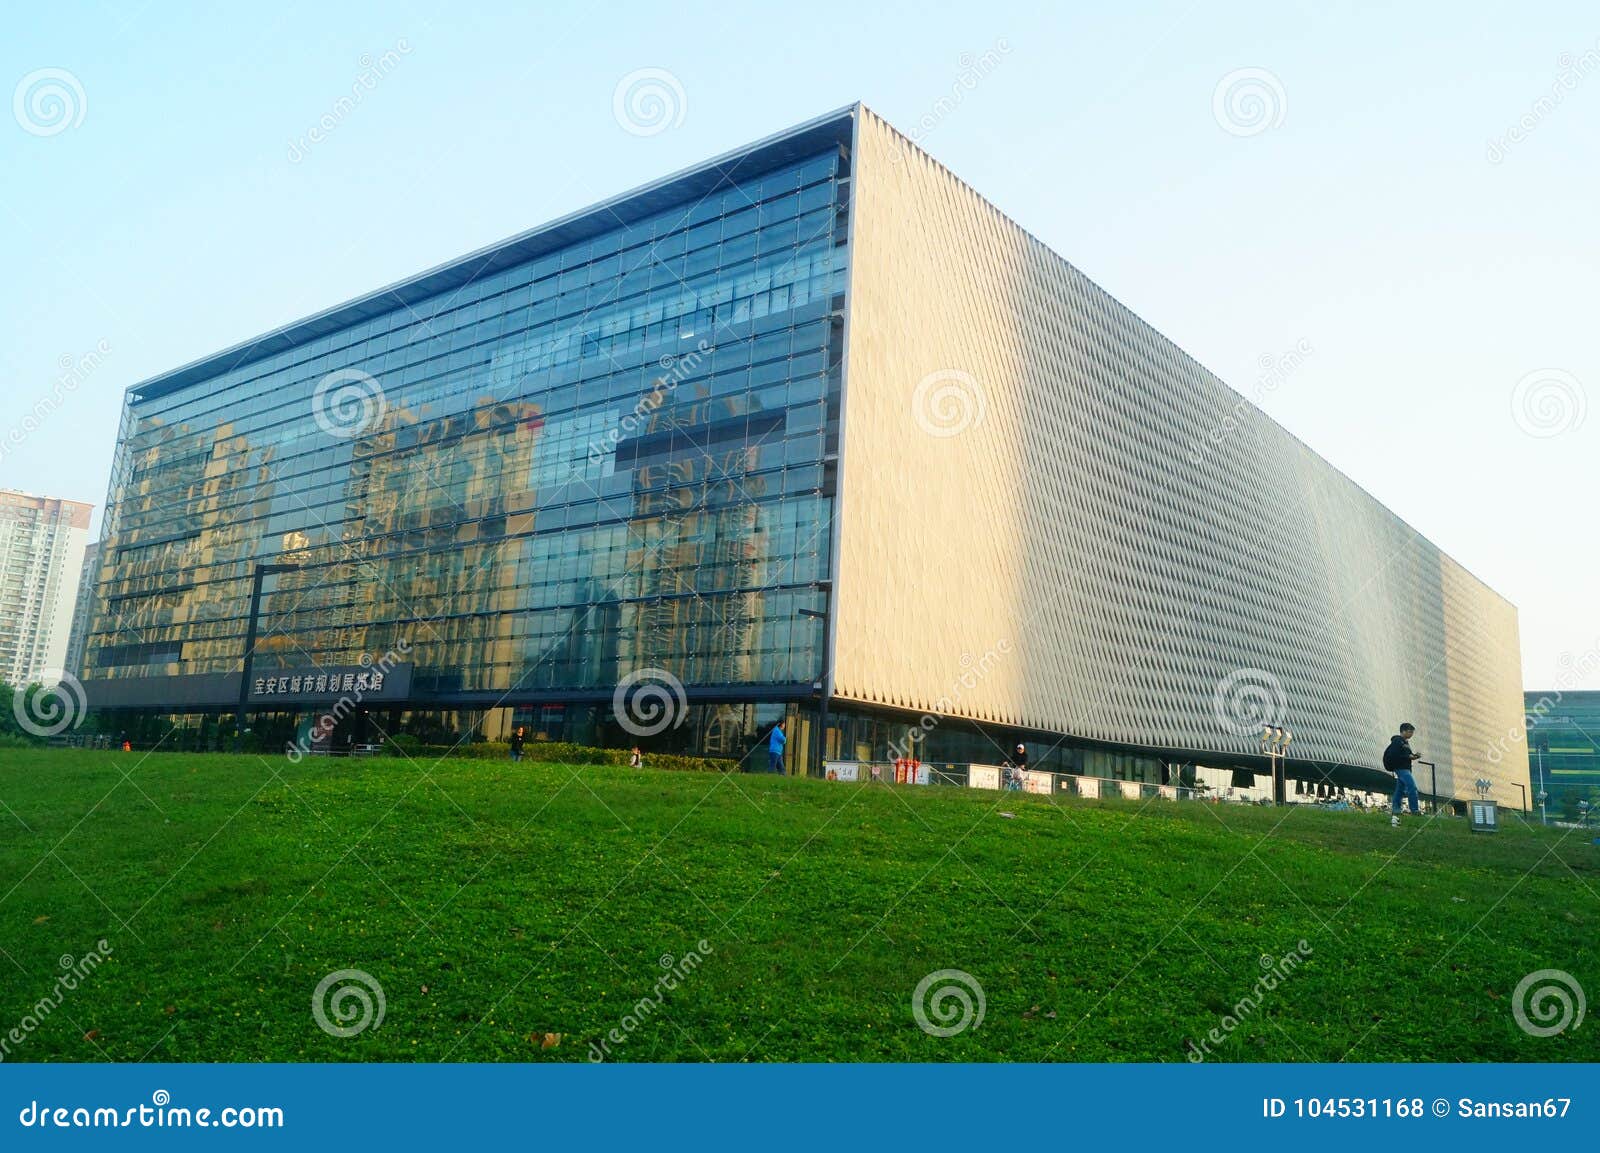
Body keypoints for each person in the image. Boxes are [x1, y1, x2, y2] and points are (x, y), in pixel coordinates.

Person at [1382, 722, 1422, 826]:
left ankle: (1396, 810)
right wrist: (1409, 757)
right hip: (1400, 768)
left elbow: (1407, 755)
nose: (1411, 734)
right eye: (1409, 732)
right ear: (1403, 731)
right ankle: (1414, 810)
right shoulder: (1397, 741)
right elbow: (1396, 755)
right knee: (1412, 787)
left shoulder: (1405, 742)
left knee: (1399, 790)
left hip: (1406, 768)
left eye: (1412, 732)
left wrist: (1414, 756)